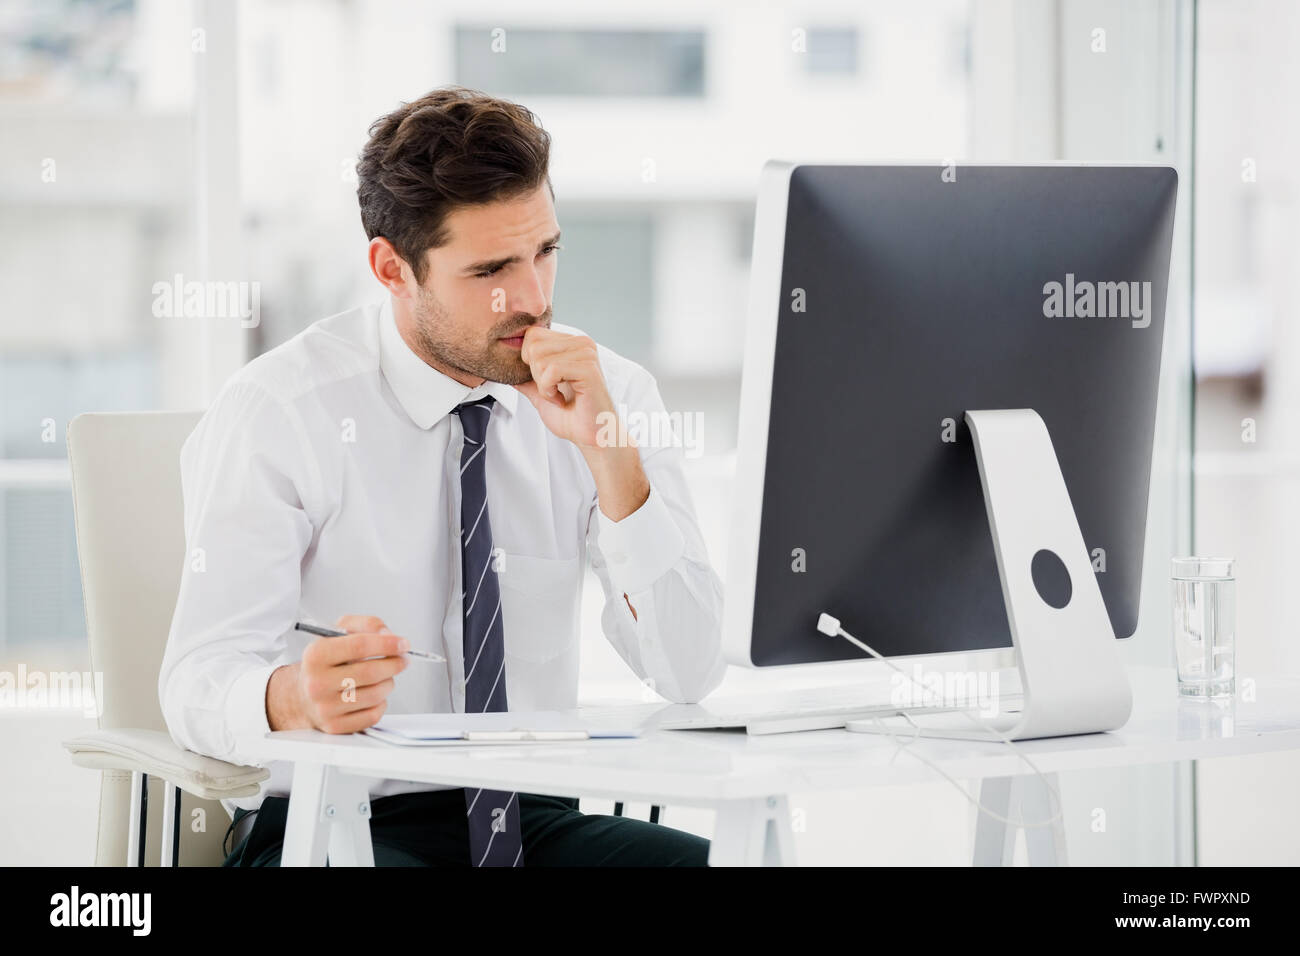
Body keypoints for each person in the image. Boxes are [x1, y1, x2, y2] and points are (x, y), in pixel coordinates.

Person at [157, 86, 727, 867]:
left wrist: (610, 455)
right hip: (340, 820)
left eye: (546, 252)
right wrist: (292, 697)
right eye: (491, 268)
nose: (532, 298)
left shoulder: (611, 394)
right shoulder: (281, 411)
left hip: (537, 819)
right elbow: (195, 678)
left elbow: (689, 670)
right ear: (392, 268)